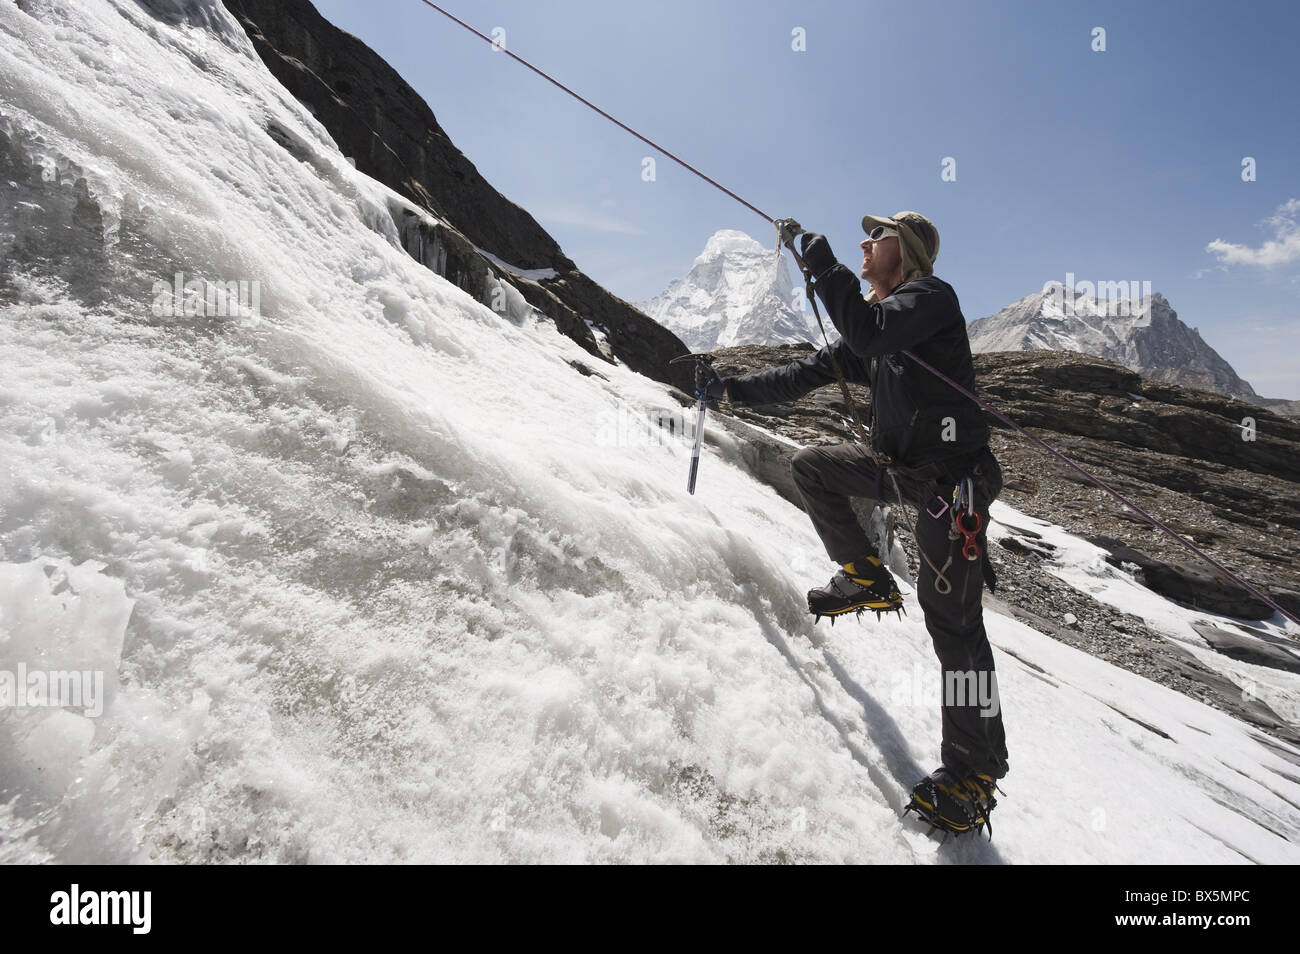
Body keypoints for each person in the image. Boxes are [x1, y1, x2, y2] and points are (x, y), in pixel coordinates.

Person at [695, 211, 1009, 835]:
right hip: (904, 469)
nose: (867, 244)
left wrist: (819, 257)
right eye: (865, 239)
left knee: (955, 625)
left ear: (908, 252)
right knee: (812, 467)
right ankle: (865, 573)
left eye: (879, 237)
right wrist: (732, 390)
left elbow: (865, 334)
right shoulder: (883, 324)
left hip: (952, 482)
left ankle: (975, 774)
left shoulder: (927, 300)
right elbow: (809, 373)